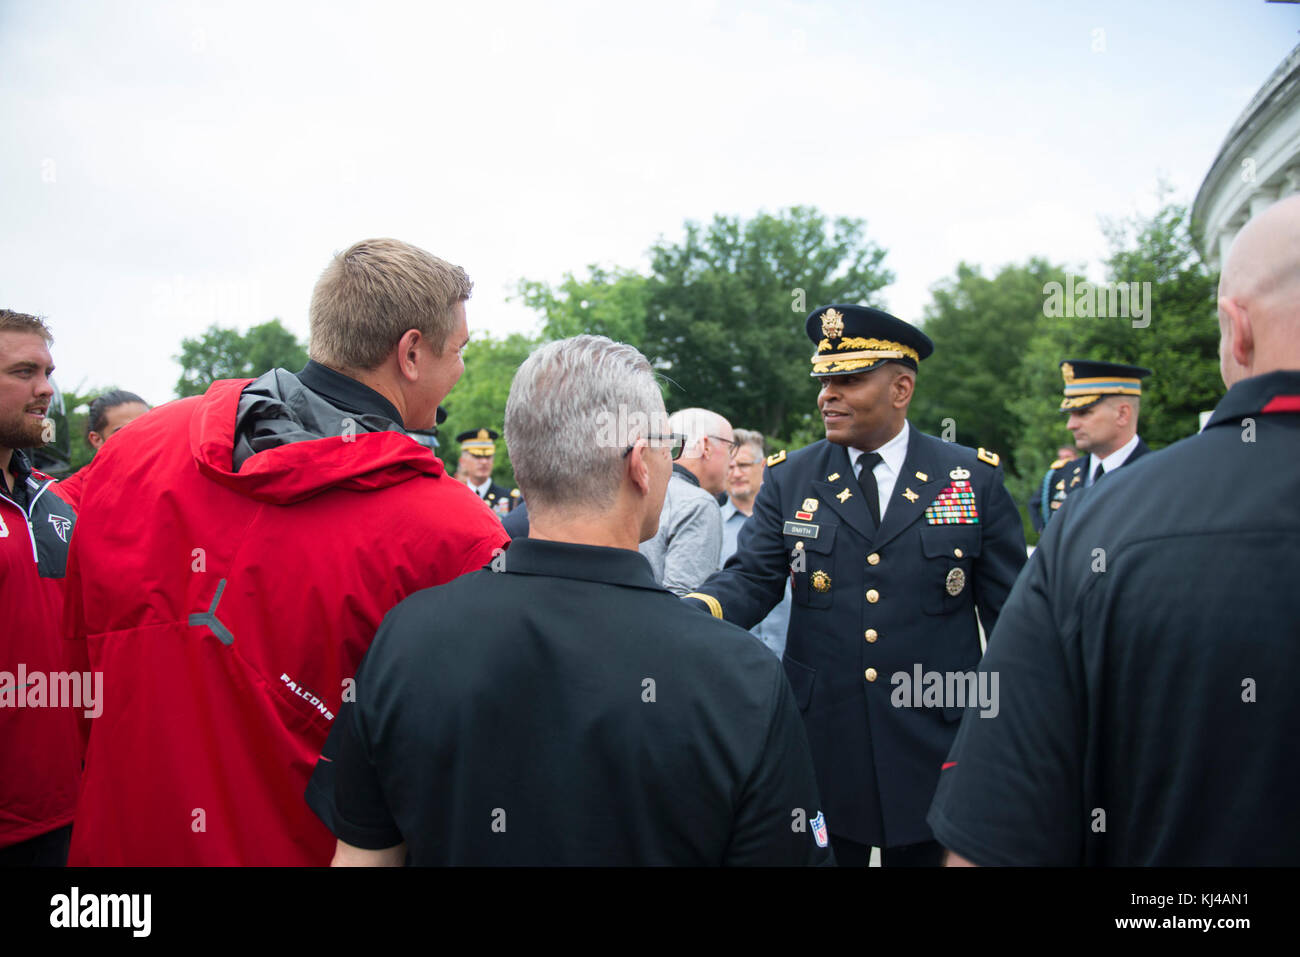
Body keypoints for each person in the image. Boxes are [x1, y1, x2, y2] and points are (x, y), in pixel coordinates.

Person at [305, 335, 833, 866]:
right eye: (666, 447)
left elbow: (362, 857)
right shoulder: (739, 676)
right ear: (639, 465)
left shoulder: (406, 637)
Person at [62, 239, 509, 866]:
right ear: (411, 353)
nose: (461, 369)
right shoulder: (451, 530)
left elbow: (80, 671)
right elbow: (449, 777)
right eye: (458, 351)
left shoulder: (137, 448)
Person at [929, 194, 1300, 866]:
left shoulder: (1123, 513)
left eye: (1085, 409)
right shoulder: (1066, 492)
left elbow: (996, 829)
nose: (1071, 423)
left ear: (1235, 327)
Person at [684, 304, 1027, 866]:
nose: (828, 395)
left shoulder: (968, 478)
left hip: (937, 736)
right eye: (824, 381)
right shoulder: (792, 476)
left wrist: (1016, 726)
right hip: (825, 734)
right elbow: (753, 577)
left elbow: (1010, 615)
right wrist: (692, 611)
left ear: (901, 388)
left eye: (848, 380)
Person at [0, 310, 81, 866]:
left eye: (48, 372)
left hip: (66, 812)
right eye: (25, 372)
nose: (46, 390)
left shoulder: (57, 500)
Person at [1037, 360, 1151, 526]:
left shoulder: (1161, 478)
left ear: (1122, 414)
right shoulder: (1061, 477)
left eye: (1083, 413)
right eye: (1070, 414)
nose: (1071, 425)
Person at [638, 407, 731, 596]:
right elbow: (686, 599)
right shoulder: (699, 504)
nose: (732, 460)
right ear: (705, 447)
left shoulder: (637, 488)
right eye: (731, 447)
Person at [720, 429, 791, 658]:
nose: (736, 473)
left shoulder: (791, 522)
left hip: (791, 653)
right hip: (734, 658)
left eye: (743, 465)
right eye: (729, 467)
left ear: (762, 467)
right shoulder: (711, 524)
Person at [54, 389, 151, 510]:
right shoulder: (67, 496)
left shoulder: (167, 480)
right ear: (97, 439)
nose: (140, 440)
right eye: (125, 433)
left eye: (148, 430)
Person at [454, 427, 517, 515]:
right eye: (477, 456)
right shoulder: (454, 498)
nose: (484, 462)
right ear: (463, 461)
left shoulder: (510, 498)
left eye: (488, 456)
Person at [1027, 444, 1076, 534]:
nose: (1064, 461)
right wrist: (1040, 527)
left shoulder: (1082, 477)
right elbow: (1033, 503)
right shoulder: (1051, 478)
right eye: (1061, 457)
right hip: (1054, 530)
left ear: (1076, 458)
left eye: (1068, 457)